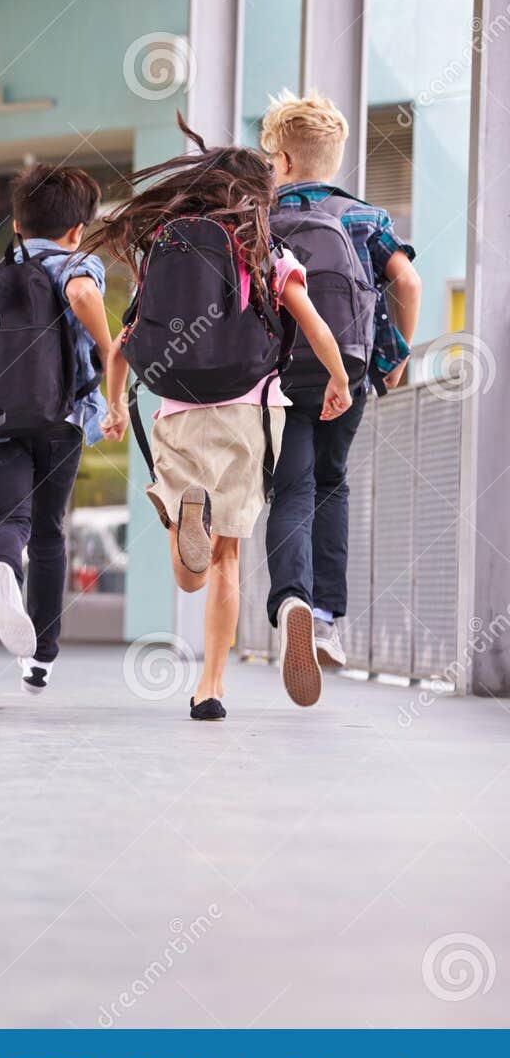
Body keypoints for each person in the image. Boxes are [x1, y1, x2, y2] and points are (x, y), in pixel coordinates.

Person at [88, 118, 351, 720]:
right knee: (228, 555)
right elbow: (313, 323)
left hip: (178, 412)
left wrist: (111, 405)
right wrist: (337, 378)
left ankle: (189, 523)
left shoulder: (164, 246)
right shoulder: (266, 251)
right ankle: (211, 688)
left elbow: (123, 343)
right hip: (249, 410)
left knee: (188, 575)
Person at [260, 90, 423, 680]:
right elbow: (409, 282)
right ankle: (325, 618)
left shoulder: (259, 218)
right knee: (331, 484)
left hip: (274, 374)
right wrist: (395, 355)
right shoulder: (365, 217)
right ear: (334, 156)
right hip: (347, 372)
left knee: (291, 487)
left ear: (280, 159)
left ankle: (291, 601)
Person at [0, 165, 114, 695]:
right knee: (51, 531)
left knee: (12, 519)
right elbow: (80, 297)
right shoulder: (80, 264)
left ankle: (4, 565)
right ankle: (41, 658)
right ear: (78, 229)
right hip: (60, 418)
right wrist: (110, 347)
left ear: (15, 224)